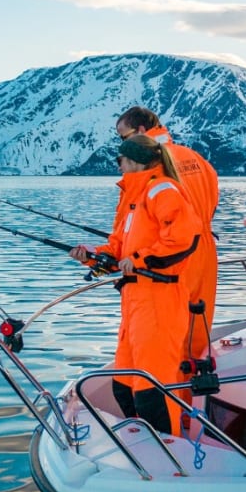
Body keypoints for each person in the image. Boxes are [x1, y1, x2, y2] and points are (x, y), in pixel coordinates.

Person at [69, 134, 203, 434]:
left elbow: (184, 238)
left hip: (159, 301)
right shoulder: (133, 199)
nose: (118, 167)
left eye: (120, 161)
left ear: (134, 161)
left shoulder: (162, 190)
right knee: (123, 386)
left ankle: (170, 453)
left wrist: (141, 259)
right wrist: (91, 257)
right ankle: (142, 443)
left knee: (151, 390)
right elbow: (118, 248)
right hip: (135, 300)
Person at [116, 107, 220, 362]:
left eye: (122, 137)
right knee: (196, 331)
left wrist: (128, 252)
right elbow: (213, 201)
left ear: (140, 131)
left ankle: (167, 396)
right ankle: (191, 395)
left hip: (165, 255)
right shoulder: (195, 157)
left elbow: (126, 221)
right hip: (204, 251)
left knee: (164, 338)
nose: (122, 146)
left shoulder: (147, 167)